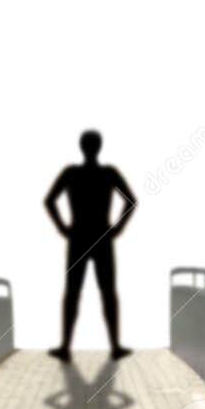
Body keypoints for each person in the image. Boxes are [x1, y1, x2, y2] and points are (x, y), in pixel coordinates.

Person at [44, 130, 135, 362]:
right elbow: (131, 201)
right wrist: (118, 228)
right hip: (102, 238)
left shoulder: (71, 173)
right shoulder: (109, 173)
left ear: (82, 147)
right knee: (107, 293)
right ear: (98, 147)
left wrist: (63, 227)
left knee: (73, 293)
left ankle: (66, 347)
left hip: (78, 237)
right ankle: (114, 346)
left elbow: (50, 201)